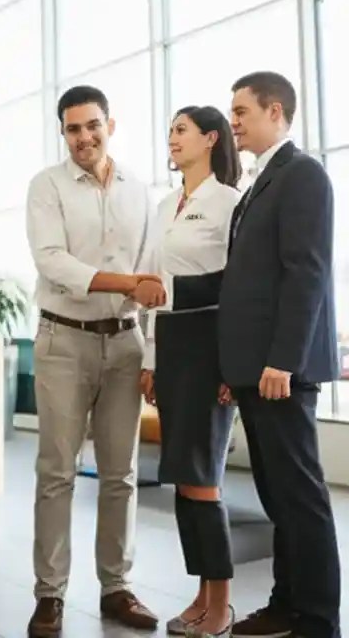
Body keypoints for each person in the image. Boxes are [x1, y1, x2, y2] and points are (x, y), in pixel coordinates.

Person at [170, 71, 342, 638]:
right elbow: (242, 283)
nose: (233, 122)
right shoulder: (258, 186)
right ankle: (285, 603)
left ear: (276, 112)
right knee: (279, 498)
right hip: (253, 368)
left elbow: (306, 273)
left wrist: (283, 362)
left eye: (241, 112)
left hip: (279, 371)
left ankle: (316, 621)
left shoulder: (303, 175)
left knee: (301, 497)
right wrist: (164, 290)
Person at [23, 84, 163, 638]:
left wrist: (150, 350)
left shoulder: (138, 191)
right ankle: (49, 595)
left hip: (125, 342)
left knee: (120, 474)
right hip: (64, 340)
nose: (83, 137)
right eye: (72, 128)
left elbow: (153, 274)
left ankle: (116, 587)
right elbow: (53, 262)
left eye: (92, 125)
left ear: (110, 123)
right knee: (56, 473)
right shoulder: (47, 186)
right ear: (62, 132)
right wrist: (129, 282)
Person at [135, 106, 242, 637]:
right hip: (172, 345)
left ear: (210, 138)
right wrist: (151, 359)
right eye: (170, 130)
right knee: (182, 480)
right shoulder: (164, 206)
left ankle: (221, 604)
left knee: (203, 482)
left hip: (209, 347)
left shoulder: (229, 204)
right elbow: (154, 290)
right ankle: (200, 595)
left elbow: (235, 290)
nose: (172, 138)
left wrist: (231, 366)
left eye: (182, 130)